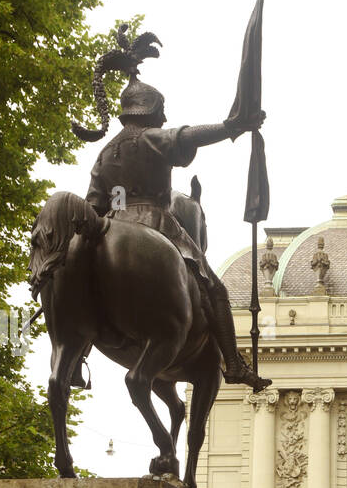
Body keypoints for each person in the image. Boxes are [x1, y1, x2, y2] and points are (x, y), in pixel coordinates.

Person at [83, 73, 264, 387]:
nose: (164, 117)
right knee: (214, 289)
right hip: (155, 222)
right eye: (160, 110)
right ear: (147, 109)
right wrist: (232, 126)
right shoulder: (151, 137)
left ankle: (78, 350)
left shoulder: (103, 154)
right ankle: (233, 363)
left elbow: (93, 205)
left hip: (111, 224)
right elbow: (187, 136)